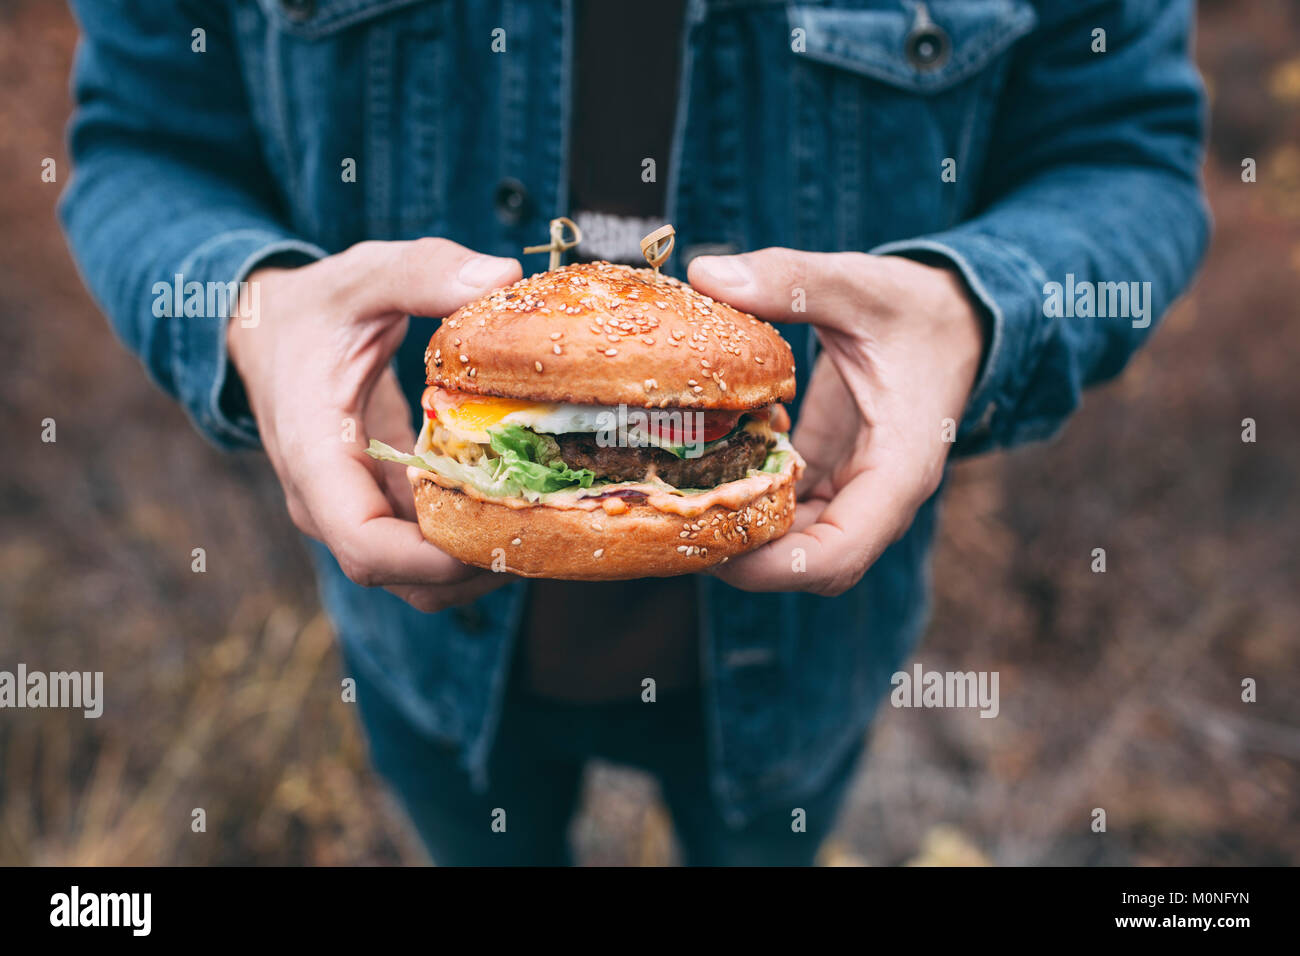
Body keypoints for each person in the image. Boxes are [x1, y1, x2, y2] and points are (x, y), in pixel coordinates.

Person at [60, 0, 1209, 865]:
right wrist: (251, 311)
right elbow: (143, 141)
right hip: (423, 650)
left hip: (806, 650)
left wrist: (974, 305)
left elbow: (1126, 156)